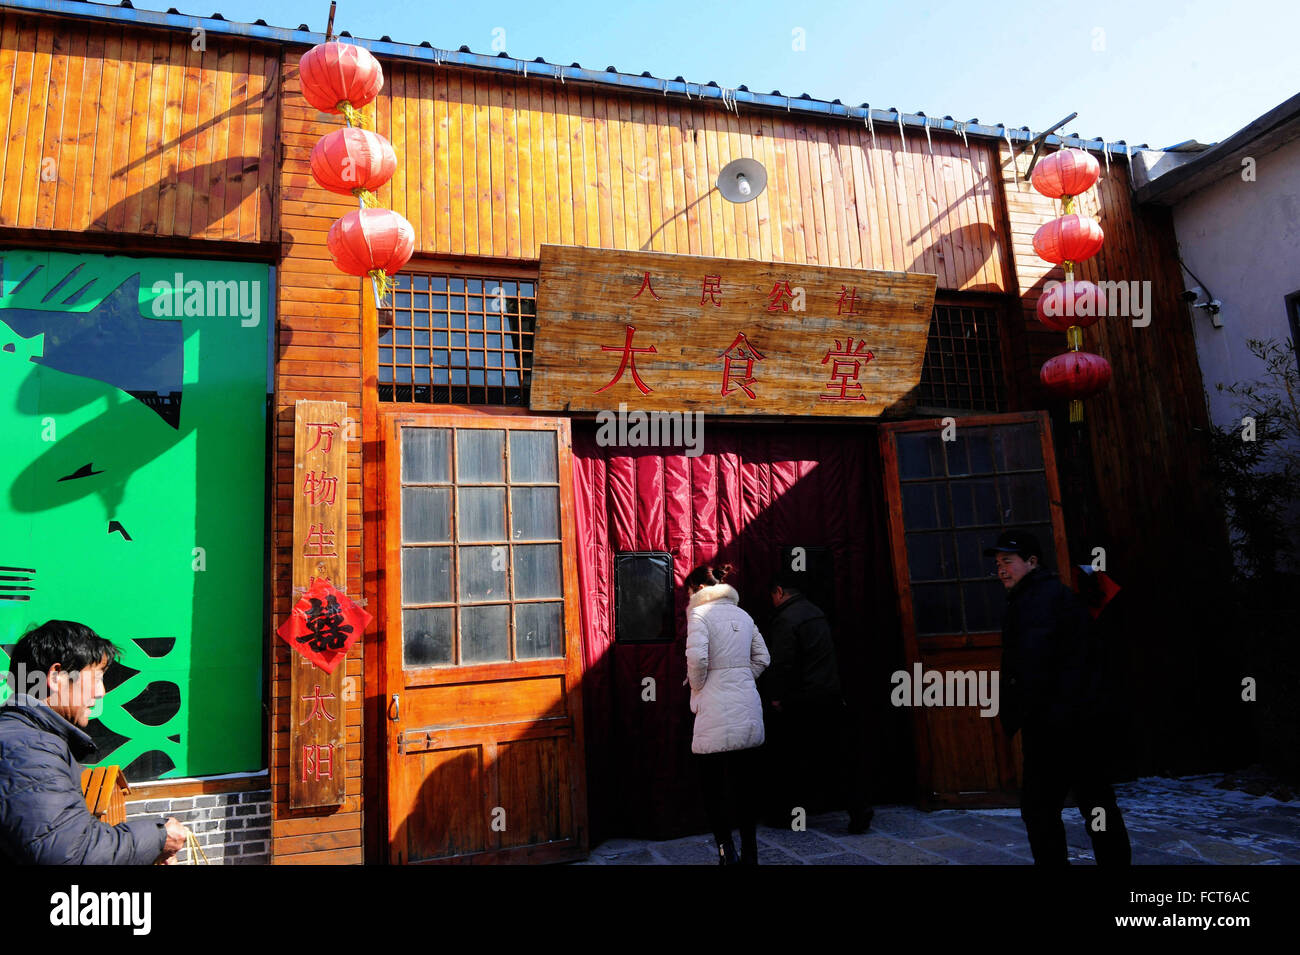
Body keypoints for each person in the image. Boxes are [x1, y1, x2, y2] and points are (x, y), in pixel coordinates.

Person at [987, 532, 1131, 866]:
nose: (1001, 570)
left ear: (1032, 562)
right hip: (1079, 719)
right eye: (998, 564)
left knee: (1040, 809)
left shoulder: (1038, 601)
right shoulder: (1044, 595)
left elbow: (1035, 665)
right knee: (1095, 802)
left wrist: (1024, 711)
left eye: (1008, 562)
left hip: (1057, 725)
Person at [0, 620, 190, 865]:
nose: (101, 692)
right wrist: (159, 836)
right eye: (97, 677)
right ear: (56, 677)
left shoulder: (23, 738)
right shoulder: (26, 749)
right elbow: (71, 854)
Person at [760, 569, 873, 833]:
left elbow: (783, 663)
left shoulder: (786, 619)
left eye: (772, 596)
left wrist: (776, 697)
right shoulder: (815, 612)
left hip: (802, 700)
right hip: (829, 695)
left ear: (779, 591)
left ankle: (786, 815)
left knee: (791, 760)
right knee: (838, 757)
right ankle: (858, 809)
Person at [684, 563, 769, 865]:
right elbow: (763, 657)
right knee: (745, 788)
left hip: (714, 711)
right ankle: (751, 853)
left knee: (713, 789)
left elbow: (697, 658)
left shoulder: (699, 614)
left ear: (700, 589)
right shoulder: (743, 615)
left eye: (689, 591)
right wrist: (742, 678)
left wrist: (698, 688)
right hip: (747, 709)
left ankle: (725, 851)